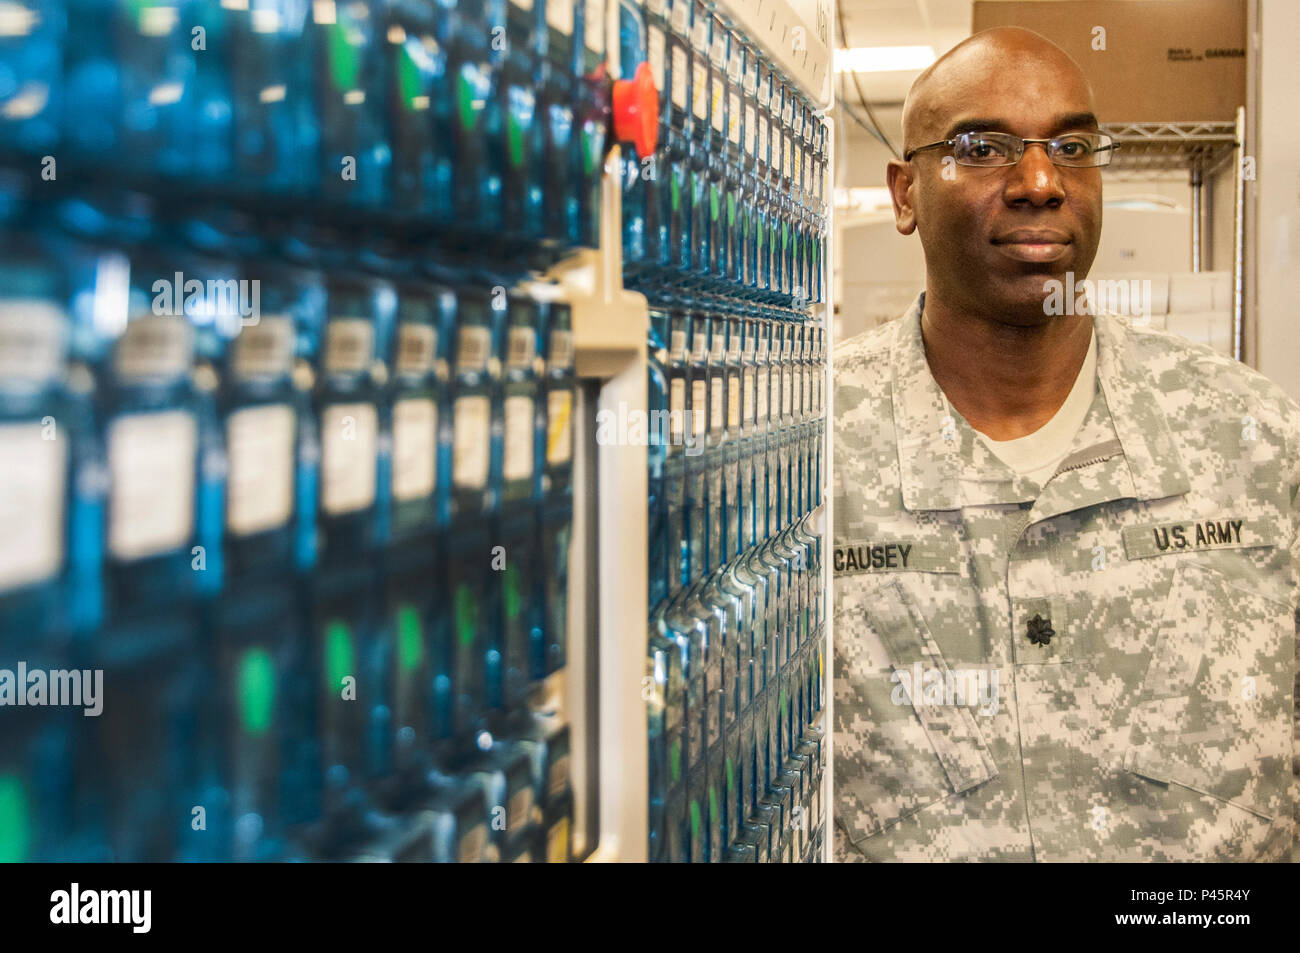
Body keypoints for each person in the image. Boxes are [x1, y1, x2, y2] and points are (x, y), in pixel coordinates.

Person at [832, 26, 1299, 862]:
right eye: (983, 147)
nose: (1040, 182)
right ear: (905, 194)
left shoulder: (1253, 441)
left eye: (1072, 146)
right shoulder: (810, 458)